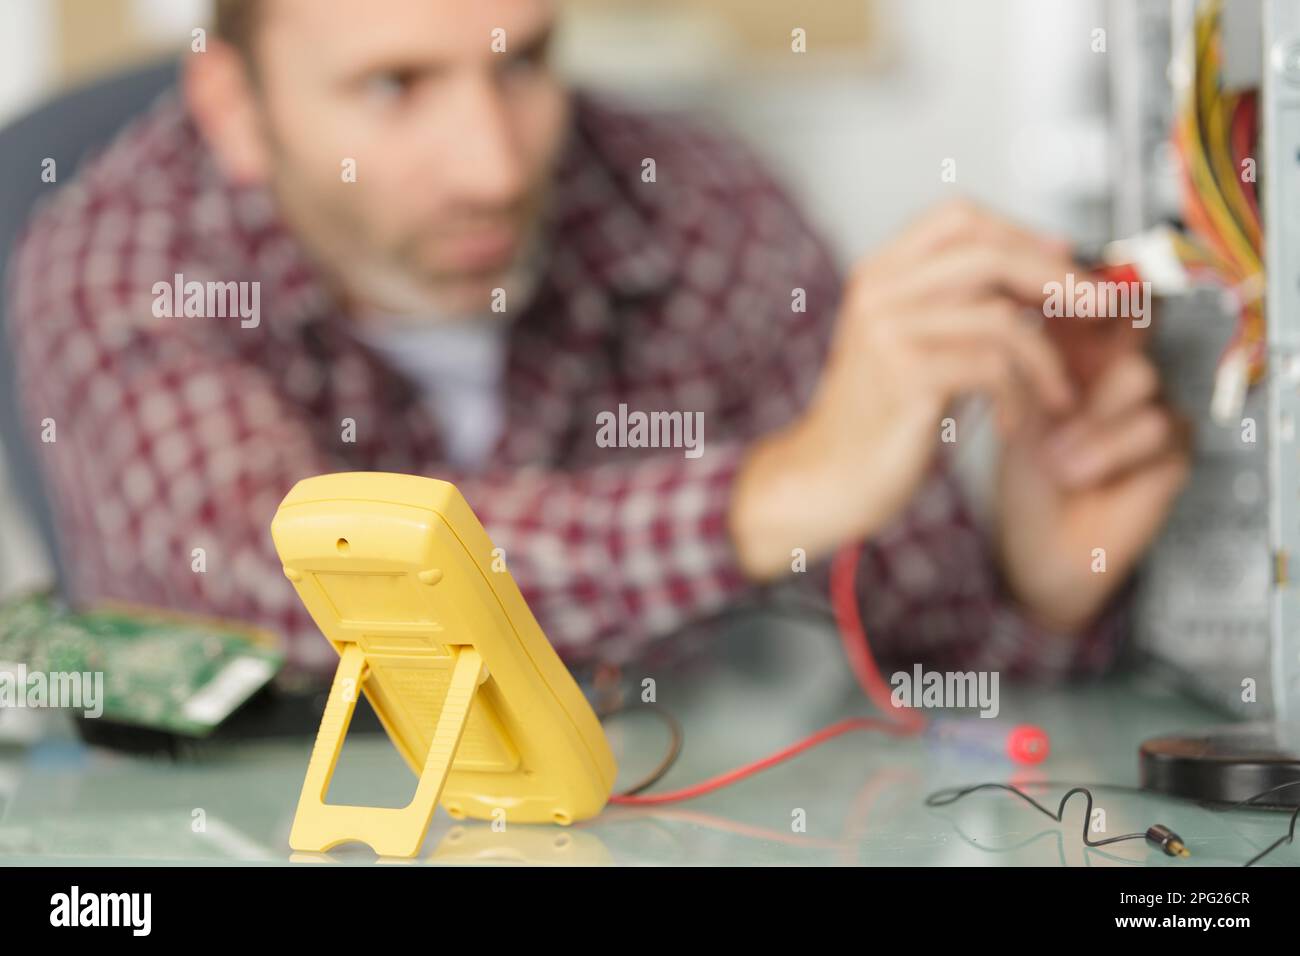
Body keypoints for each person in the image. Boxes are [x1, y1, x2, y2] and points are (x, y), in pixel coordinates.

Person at [6, 0, 1188, 679]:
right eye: (392, 87)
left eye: (519, 62)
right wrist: (771, 497)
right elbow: (258, 581)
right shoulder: (110, 252)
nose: (494, 167)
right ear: (232, 108)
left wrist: (1039, 580)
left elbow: (930, 659)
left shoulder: (707, 205)